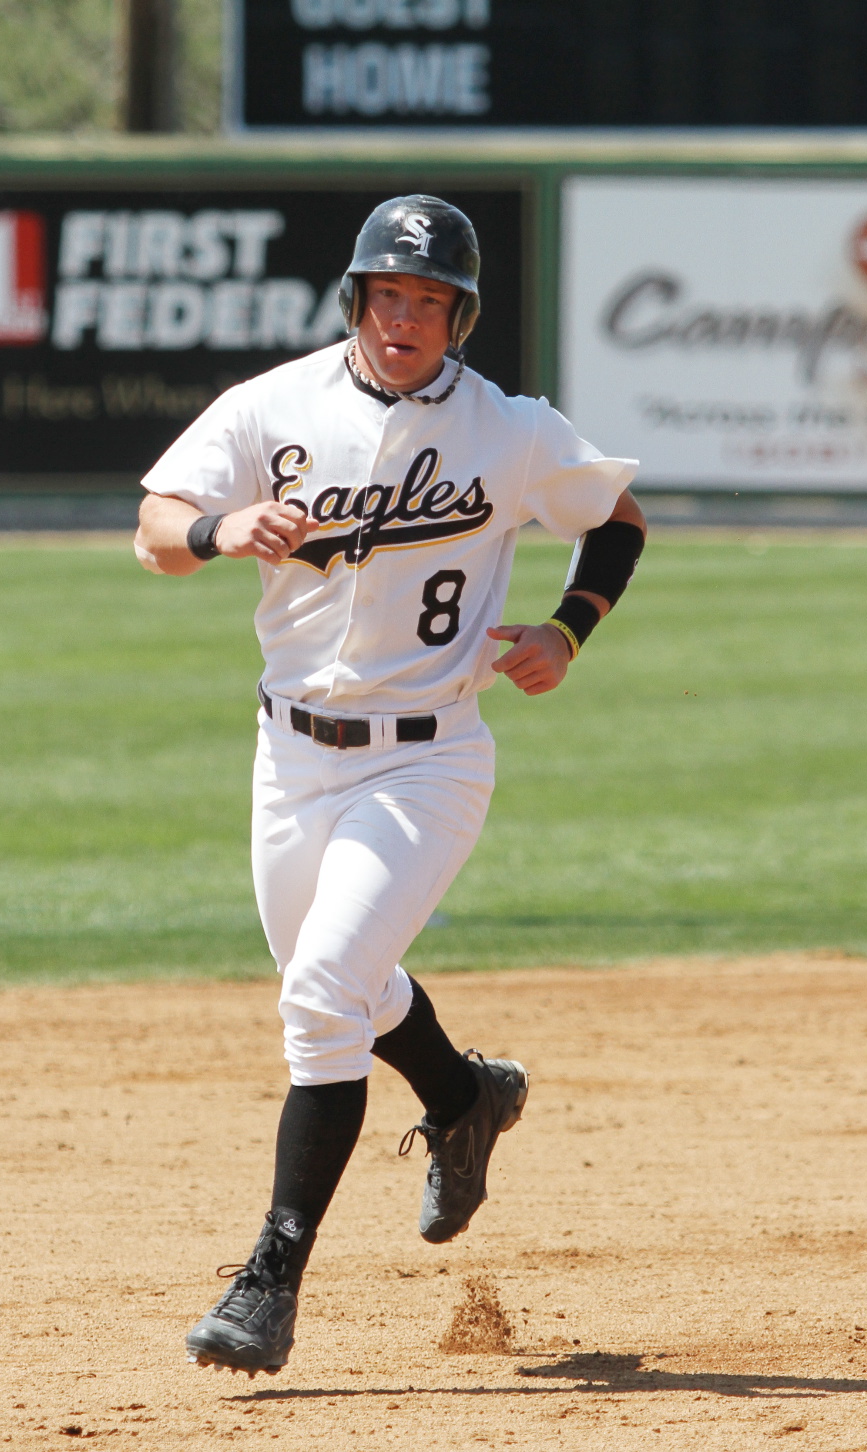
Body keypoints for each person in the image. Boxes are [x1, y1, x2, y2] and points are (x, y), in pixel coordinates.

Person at [134, 194, 645, 1379]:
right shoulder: (274, 406)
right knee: (339, 986)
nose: (404, 316)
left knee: (322, 994)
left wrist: (570, 630)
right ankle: (467, 1095)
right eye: (387, 293)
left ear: (460, 317)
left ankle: (269, 1280)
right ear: (356, 299)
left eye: (430, 300)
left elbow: (613, 517)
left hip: (430, 757)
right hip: (292, 756)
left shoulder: (509, 429)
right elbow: (153, 528)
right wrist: (221, 526)